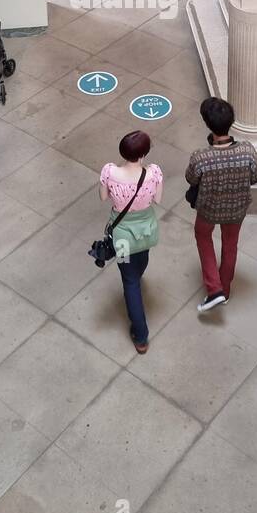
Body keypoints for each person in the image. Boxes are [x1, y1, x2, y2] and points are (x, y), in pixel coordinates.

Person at [185, 97, 257, 313]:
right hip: (237, 208)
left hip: (208, 208)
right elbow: (254, 178)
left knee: (203, 238)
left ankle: (214, 289)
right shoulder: (247, 150)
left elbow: (191, 178)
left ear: (208, 124)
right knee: (230, 244)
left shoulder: (201, 157)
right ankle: (224, 291)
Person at [100, 132, 163, 353]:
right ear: (143, 154)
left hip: (123, 236)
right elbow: (158, 199)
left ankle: (141, 335)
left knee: (129, 281)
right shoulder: (153, 173)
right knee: (142, 259)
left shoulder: (110, 172)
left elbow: (103, 197)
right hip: (145, 231)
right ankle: (138, 272)